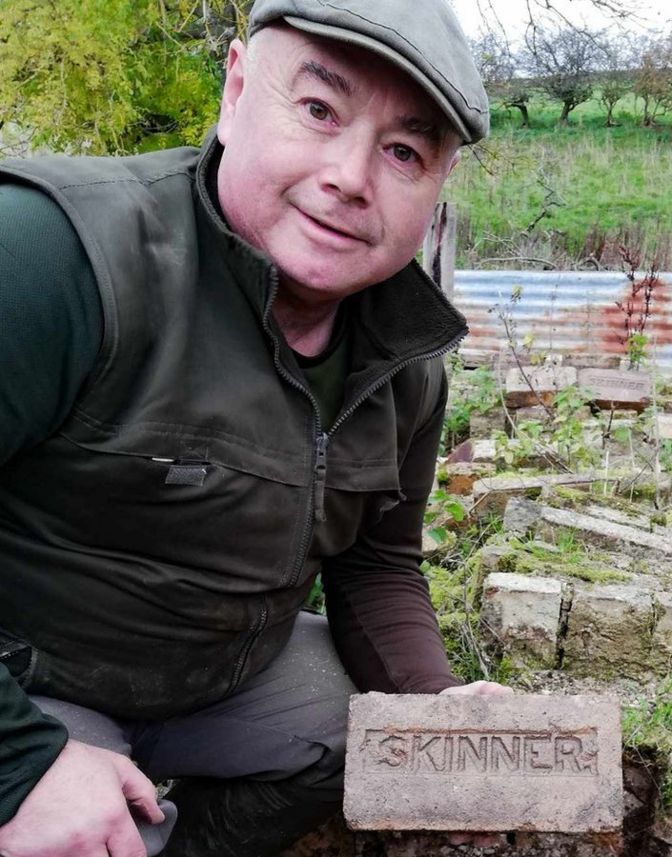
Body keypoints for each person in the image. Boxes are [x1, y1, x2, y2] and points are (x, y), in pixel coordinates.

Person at [0, 1, 508, 854]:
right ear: (235, 91)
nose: (351, 176)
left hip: (223, 682)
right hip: (33, 674)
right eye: (319, 110)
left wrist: (429, 703)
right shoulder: (56, 255)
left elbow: (377, 565)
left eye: (404, 151)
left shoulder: (404, 363)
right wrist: (21, 762)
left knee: (370, 739)